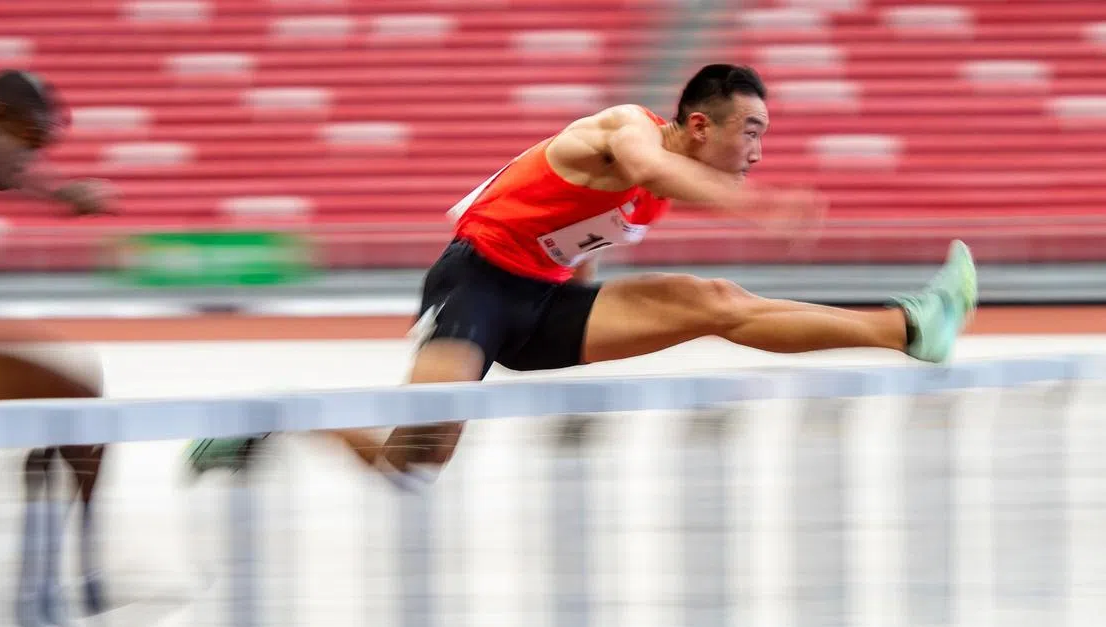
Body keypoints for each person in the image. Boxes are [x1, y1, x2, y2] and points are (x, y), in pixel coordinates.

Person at [185, 64, 976, 486]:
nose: (758, 151)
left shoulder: (659, 181)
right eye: (751, 132)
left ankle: (911, 326)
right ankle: (280, 415)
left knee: (712, 301)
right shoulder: (624, 131)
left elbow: (580, 237)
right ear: (699, 124)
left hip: (547, 304)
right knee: (414, 461)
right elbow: (648, 170)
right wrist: (755, 204)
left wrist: (583, 296)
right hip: (477, 288)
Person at [0, 69, 118, 616]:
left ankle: (46, 575)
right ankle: (79, 574)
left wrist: (61, 192)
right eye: (30, 144)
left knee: (71, 393)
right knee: (76, 396)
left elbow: (5, 169)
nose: (31, 159)